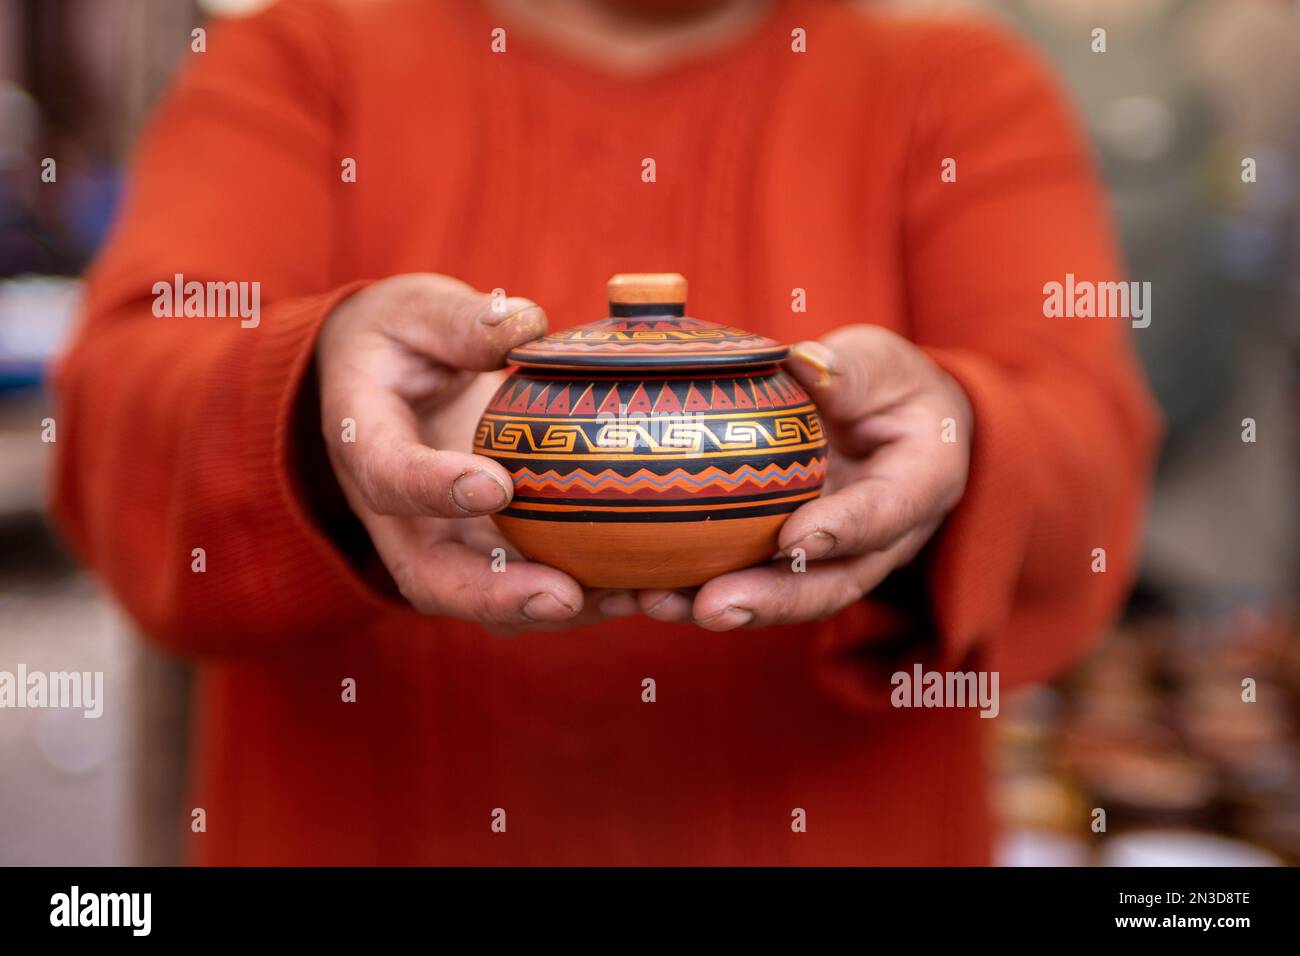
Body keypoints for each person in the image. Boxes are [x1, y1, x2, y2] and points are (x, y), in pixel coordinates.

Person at [51, 0, 1159, 864]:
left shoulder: (955, 93)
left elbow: (1088, 457)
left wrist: (961, 439)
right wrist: (313, 405)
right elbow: (116, 419)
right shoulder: (300, 63)